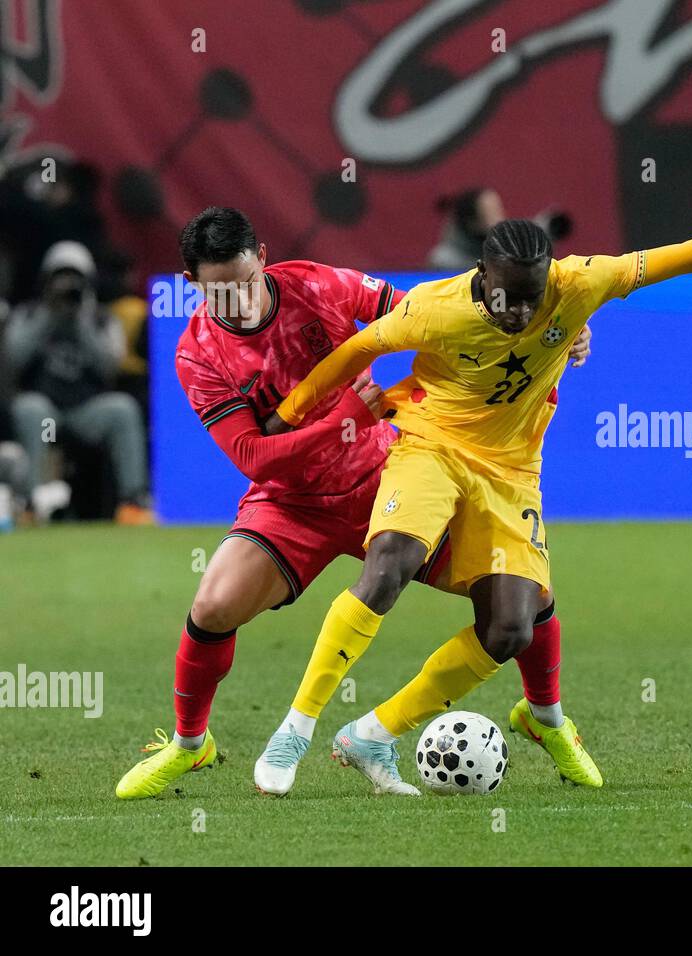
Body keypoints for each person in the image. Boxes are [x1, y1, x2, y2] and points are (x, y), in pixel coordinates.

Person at [261, 212, 692, 794]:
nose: (520, 313)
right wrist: (289, 415)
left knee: (512, 629)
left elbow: (685, 254)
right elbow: (356, 350)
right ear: (481, 275)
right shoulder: (434, 307)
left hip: (513, 471)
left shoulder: (579, 284)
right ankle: (295, 728)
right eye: (506, 298)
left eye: (531, 298)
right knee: (389, 565)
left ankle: (373, 733)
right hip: (431, 444)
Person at [114, 207, 592, 799]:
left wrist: (552, 327)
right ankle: (190, 745)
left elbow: (432, 315)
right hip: (290, 504)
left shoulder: (321, 286)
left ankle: (546, 718)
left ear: (262, 256)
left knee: (522, 595)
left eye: (243, 282)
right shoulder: (198, 354)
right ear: (193, 285)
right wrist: (345, 418)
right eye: (219, 293)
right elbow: (253, 457)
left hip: (381, 481)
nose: (236, 301)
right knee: (213, 606)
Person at [5, 241, 153, 524]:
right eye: (60, 278)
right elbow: (14, 359)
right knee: (31, 408)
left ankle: (133, 502)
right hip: (47, 411)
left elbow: (109, 366)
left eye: (75, 280)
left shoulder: (100, 319)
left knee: (122, 409)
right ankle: (32, 502)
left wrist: (81, 319)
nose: (67, 286)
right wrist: (50, 315)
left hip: (86, 411)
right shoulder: (29, 314)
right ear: (46, 280)